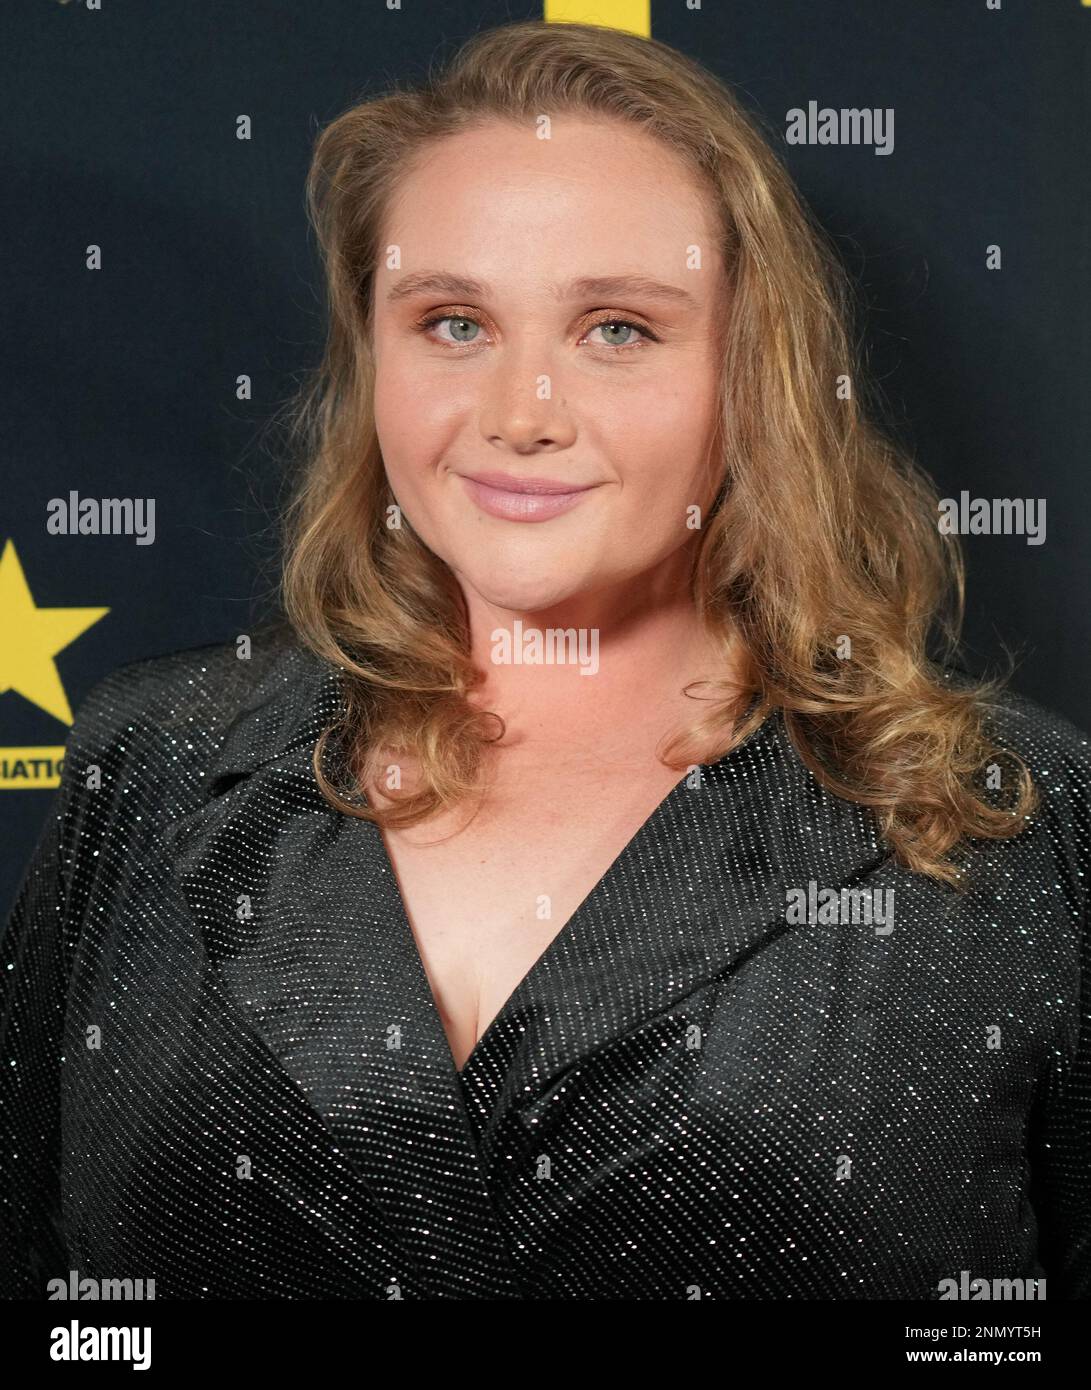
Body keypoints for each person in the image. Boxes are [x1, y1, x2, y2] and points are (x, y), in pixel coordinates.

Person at [2, 19, 1088, 1301]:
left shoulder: (1012, 820)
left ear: (752, 373)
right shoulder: (154, 760)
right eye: (453, 322)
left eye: (616, 329)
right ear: (372, 361)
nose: (520, 414)